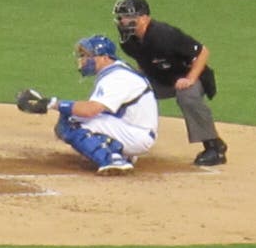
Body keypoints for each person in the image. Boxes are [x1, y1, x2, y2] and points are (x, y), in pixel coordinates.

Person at [16, 35, 158, 175]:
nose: (83, 60)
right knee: (73, 116)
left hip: (136, 134)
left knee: (72, 122)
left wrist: (51, 103)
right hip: (131, 128)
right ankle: (120, 152)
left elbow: (90, 110)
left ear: (104, 58)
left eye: (87, 56)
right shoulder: (116, 70)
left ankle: (112, 160)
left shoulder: (116, 78)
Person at [113, 0, 227, 167]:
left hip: (190, 75)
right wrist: (137, 81)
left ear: (144, 18)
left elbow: (202, 52)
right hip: (161, 79)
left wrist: (190, 79)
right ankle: (121, 141)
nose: (123, 21)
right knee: (127, 92)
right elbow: (143, 61)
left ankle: (213, 147)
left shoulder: (165, 35)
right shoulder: (128, 41)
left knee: (187, 95)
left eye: (128, 17)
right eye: (121, 17)